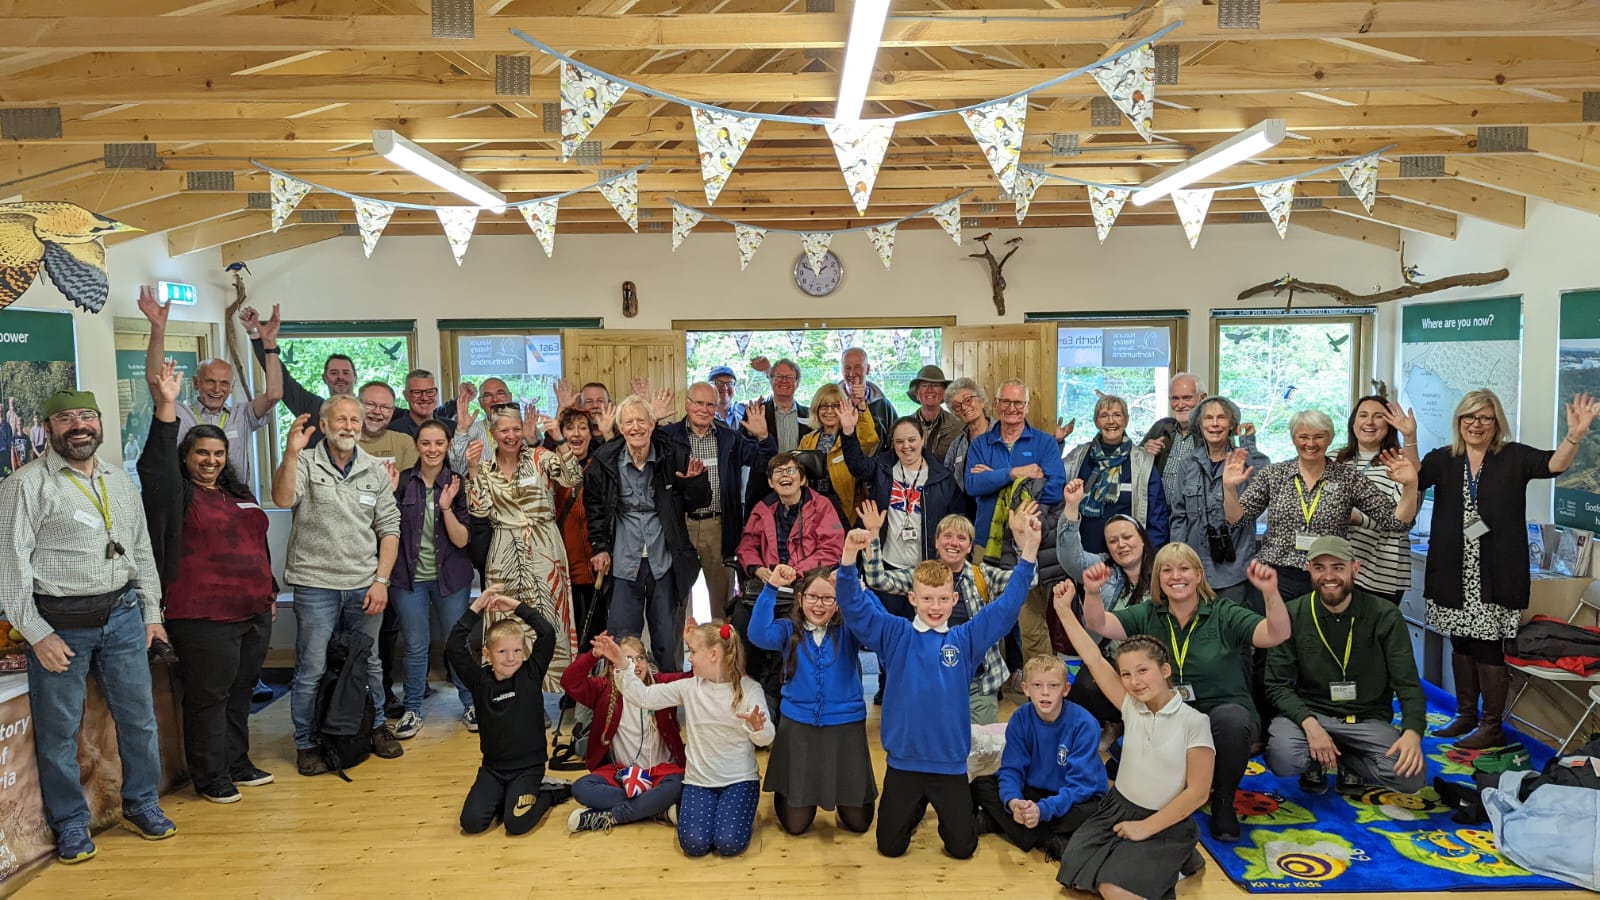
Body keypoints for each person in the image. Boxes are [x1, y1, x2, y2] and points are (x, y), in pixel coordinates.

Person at [0, 389, 175, 863]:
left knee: (138, 720)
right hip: (60, 625)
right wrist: (37, 634)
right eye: (65, 418)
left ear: (99, 423)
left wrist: (152, 614)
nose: (78, 426)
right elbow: (10, 571)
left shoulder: (120, 481)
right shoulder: (24, 485)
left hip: (122, 618)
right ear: (49, 426)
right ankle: (71, 823)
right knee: (60, 731)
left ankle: (142, 805)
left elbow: (140, 553)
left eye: (86, 416)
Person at [835, 503, 1042, 860]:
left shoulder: (965, 639)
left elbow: (1007, 607)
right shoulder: (894, 632)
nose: (935, 606)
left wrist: (1029, 552)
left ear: (954, 600)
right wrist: (848, 558)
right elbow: (855, 607)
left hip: (949, 765)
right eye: (927, 599)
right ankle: (914, 808)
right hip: (903, 764)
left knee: (963, 849)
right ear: (913, 599)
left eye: (942, 599)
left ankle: (971, 799)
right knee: (889, 848)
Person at [1423, 390, 1600, 750]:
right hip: (1452, 572)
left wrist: (1575, 436)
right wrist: (1408, 439)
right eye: (1469, 417)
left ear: (1497, 423)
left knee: (1488, 647)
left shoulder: (1513, 456)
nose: (1476, 424)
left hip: (1496, 573)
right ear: (1459, 422)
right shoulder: (1443, 459)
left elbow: (1554, 464)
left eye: (1485, 418)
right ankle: (1466, 715)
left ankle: (1491, 725)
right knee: (1461, 643)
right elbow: (1411, 478)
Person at [1083, 545, 1291, 842]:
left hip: (1219, 714)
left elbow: (1276, 634)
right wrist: (1092, 592)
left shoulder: (1224, 612)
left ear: (1198, 575)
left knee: (1232, 720)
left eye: (1183, 569)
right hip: (1168, 712)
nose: (1175, 576)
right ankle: (1154, 774)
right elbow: (1099, 623)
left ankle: (1222, 801)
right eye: (1166, 570)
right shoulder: (1149, 613)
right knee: (1093, 685)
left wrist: (1270, 593)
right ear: (1158, 579)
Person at [138, 360, 275, 804]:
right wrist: (166, 406)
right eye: (201, 454)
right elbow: (154, 465)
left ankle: (237, 762)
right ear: (185, 457)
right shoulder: (174, 494)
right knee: (207, 697)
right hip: (202, 615)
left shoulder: (238, 492)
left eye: (218, 454)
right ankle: (210, 775)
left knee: (239, 693)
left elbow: (258, 543)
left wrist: (268, 591)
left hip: (252, 610)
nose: (211, 461)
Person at [1054, 580, 1214, 900]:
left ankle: (1176, 855)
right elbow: (1094, 659)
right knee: (1073, 872)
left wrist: (1147, 828)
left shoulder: (1195, 723)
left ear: (1165, 669)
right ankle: (1178, 862)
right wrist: (1063, 610)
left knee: (1113, 888)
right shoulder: (1131, 707)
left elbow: (1197, 793)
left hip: (1163, 820)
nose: (1134, 681)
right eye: (1126, 674)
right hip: (1119, 808)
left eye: (1143, 671)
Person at [270, 397, 404, 773]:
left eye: (354, 420)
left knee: (372, 663)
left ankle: (376, 728)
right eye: (340, 420)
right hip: (315, 584)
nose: (348, 426)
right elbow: (281, 498)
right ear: (325, 426)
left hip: (365, 585)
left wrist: (381, 581)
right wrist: (290, 454)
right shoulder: (306, 463)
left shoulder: (374, 470)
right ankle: (307, 743)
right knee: (311, 667)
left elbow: (389, 530)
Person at [1264, 536, 1427, 795]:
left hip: (1366, 719)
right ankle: (1315, 758)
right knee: (1284, 757)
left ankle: (1347, 760)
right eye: (1320, 568)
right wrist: (1309, 723)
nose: (1329, 576)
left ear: (1355, 568)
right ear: (1309, 569)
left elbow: (1407, 682)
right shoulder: (1292, 614)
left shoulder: (1385, 615)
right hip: (1312, 714)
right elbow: (1276, 684)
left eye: (1338, 567)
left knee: (1410, 777)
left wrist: (1413, 731)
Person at [596, 621, 775, 858]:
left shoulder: (749, 689)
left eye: (693, 651)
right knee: (694, 845)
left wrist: (757, 728)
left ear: (713, 654)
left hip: (739, 781)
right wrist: (620, 663)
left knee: (729, 844)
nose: (689, 658)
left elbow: (767, 737)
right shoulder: (689, 687)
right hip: (699, 782)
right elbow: (644, 696)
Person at [1223, 408, 1420, 602]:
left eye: (1319, 437)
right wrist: (1229, 490)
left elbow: (1396, 522)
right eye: (1303, 437)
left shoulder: (1348, 478)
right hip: (1275, 576)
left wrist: (1411, 485)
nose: (1310, 443)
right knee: (1274, 634)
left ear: (1330, 439)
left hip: (1327, 581)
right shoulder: (1273, 475)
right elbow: (1237, 520)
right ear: (1293, 438)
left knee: (1321, 635)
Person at [748, 565, 876, 835]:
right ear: (800, 598)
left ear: (839, 603)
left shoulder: (850, 630)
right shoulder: (787, 629)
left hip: (845, 729)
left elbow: (880, 630)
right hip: (799, 728)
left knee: (859, 823)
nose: (819, 605)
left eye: (828, 598)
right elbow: (757, 634)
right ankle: (792, 790)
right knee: (795, 826)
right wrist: (771, 587)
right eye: (813, 597)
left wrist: (861, 592)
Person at [586, 395, 710, 674]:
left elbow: (697, 502)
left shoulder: (673, 454)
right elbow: (594, 508)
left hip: (663, 559)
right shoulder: (604, 461)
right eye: (628, 422)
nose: (636, 427)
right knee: (622, 637)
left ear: (653, 424)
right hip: (623, 561)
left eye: (642, 421)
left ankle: (666, 706)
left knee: (666, 638)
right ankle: (621, 702)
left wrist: (694, 483)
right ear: (620, 428)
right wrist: (600, 547)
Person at [466, 405, 583, 690]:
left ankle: (549, 687)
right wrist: (470, 470)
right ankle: (512, 689)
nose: (511, 436)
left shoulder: (541, 457)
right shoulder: (484, 468)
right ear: (493, 434)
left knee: (547, 618)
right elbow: (478, 510)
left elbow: (572, 478)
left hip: (544, 548)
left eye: (516, 429)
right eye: (504, 430)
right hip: (504, 550)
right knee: (507, 620)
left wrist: (559, 439)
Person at [860, 507, 1011, 723]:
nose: (953, 542)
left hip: (978, 685)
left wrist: (1026, 545)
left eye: (961, 538)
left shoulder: (983, 575)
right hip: (932, 682)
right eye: (947, 536)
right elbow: (877, 579)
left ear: (969, 546)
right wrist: (874, 534)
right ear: (937, 542)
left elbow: (1026, 581)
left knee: (980, 753)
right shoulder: (919, 575)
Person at [141, 287, 283, 489]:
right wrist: (157, 328)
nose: (217, 389)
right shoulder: (179, 413)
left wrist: (269, 344)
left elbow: (274, 395)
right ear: (196, 383)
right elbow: (156, 382)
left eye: (224, 383)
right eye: (210, 381)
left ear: (231, 387)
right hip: (192, 501)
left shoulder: (242, 415)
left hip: (233, 499)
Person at [445, 585, 559, 835]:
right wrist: (476, 608)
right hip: (493, 769)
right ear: (487, 654)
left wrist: (516, 607)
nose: (511, 658)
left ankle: (550, 793)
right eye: (502, 652)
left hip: (529, 767)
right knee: (472, 824)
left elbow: (547, 633)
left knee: (516, 824)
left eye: (517, 650)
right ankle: (505, 797)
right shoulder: (479, 681)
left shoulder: (531, 673)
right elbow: (454, 646)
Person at [970, 653, 1106, 861]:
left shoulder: (1085, 724)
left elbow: (1081, 786)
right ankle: (1049, 839)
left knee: (1096, 814)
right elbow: (1012, 769)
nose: (1045, 693)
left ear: (1065, 690)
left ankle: (1000, 823)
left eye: (1053, 686)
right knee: (982, 784)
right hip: (1035, 791)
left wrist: (1043, 810)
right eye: (1037, 685)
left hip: (1075, 798)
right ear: (1025, 688)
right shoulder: (1020, 718)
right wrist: (1013, 801)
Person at [735, 453, 845, 708]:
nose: (785, 476)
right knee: (740, 623)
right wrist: (757, 568)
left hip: (804, 584)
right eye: (778, 472)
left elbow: (831, 550)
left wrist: (795, 571)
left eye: (791, 471)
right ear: (771, 482)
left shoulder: (822, 506)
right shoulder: (763, 508)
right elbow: (747, 545)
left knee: (789, 627)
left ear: (803, 478)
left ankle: (777, 695)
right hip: (768, 583)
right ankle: (752, 693)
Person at [661, 382, 773, 630]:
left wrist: (763, 436)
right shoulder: (668, 437)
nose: (703, 409)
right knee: (676, 602)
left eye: (710, 404)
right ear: (687, 404)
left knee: (722, 604)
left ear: (716, 407)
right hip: (681, 527)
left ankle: (722, 665)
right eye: (698, 403)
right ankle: (676, 667)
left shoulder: (729, 437)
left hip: (719, 526)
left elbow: (766, 463)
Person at [390, 420, 473, 737]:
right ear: (416, 445)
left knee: (458, 643)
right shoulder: (400, 483)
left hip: (451, 579)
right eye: (426, 443)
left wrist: (446, 508)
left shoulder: (457, 484)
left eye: (439, 443)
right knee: (415, 645)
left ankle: (470, 704)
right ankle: (412, 710)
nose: (433, 449)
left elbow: (463, 540)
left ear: (448, 445)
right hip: (407, 579)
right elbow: (385, 530)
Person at [561, 636, 690, 833]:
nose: (636, 665)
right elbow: (569, 681)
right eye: (627, 659)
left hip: (662, 772)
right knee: (581, 788)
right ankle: (656, 808)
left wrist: (693, 643)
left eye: (640, 659)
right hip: (623, 774)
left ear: (647, 662)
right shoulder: (603, 688)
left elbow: (692, 678)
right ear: (614, 665)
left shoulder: (662, 685)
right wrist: (593, 655)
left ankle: (611, 816)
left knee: (680, 785)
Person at [1056, 481, 1154, 730]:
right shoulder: (1104, 570)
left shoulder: (1164, 574)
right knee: (1084, 685)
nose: (1121, 545)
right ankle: (1108, 726)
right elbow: (1070, 557)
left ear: (1142, 539)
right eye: (1113, 541)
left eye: (1127, 537)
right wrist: (1071, 506)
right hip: (1112, 662)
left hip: (1154, 666)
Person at [1169, 396, 1267, 604]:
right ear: (1200, 424)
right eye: (1209, 418)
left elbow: (1263, 484)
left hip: (1234, 570)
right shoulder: (1188, 463)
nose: (1214, 424)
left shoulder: (1244, 460)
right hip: (1194, 568)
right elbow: (1179, 516)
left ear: (1232, 424)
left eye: (1221, 418)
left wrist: (1248, 444)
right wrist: (1177, 558)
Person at [965, 379, 1067, 559]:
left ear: (1027, 406)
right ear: (996, 404)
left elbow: (1056, 490)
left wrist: (994, 478)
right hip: (986, 542)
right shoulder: (980, 444)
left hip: (1028, 542)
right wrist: (1014, 473)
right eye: (1005, 401)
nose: (1012, 408)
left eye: (1018, 403)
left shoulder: (1045, 443)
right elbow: (973, 486)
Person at [1334, 396, 1421, 605]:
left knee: (1372, 635)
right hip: (1338, 568)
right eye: (1363, 415)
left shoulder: (1397, 462)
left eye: (1378, 416)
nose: (1369, 422)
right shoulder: (1334, 459)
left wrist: (1356, 517)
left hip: (1381, 573)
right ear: (1353, 421)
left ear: (1389, 425)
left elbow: (1403, 519)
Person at [1062, 394, 1169, 555]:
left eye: (1117, 415)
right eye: (1104, 415)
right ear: (1096, 422)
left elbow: (1157, 518)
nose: (1111, 421)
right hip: (1083, 555)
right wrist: (1056, 442)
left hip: (1128, 557)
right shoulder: (1078, 456)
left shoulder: (1143, 462)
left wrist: (1151, 558)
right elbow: (1053, 477)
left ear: (1126, 420)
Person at [244, 308, 358, 446]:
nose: (340, 377)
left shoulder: (370, 409)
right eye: (334, 373)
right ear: (324, 378)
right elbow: (283, 380)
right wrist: (259, 337)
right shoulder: (311, 406)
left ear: (355, 378)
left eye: (346, 373)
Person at [552, 406, 607, 654]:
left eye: (582, 427)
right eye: (570, 427)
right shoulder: (551, 467)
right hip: (564, 563)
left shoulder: (601, 464)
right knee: (569, 630)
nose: (576, 433)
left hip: (599, 564)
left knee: (598, 629)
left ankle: (595, 684)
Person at [797, 385, 877, 526]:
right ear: (816, 409)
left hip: (845, 511)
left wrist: (862, 407)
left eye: (835, 406)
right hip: (814, 511)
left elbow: (870, 441)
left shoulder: (851, 436)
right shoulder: (807, 440)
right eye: (823, 406)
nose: (829, 411)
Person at [1140, 373, 1207, 505]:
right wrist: (1144, 450)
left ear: (1202, 398)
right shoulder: (1162, 427)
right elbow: (1134, 462)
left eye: (1187, 398)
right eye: (1175, 398)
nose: (1180, 405)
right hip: (1160, 514)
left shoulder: (1211, 432)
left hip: (1195, 517)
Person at [942, 377, 990, 501]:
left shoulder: (1003, 435)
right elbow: (947, 479)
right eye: (957, 406)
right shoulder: (957, 445)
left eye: (968, 400)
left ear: (981, 401)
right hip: (965, 512)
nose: (964, 407)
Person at [355, 382, 419, 472]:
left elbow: (410, 484)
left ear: (392, 411)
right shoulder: (341, 443)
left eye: (385, 407)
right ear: (357, 406)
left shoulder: (405, 443)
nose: (377, 412)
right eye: (370, 404)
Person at [906, 364, 962, 461]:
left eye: (935, 385)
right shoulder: (904, 427)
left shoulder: (958, 426)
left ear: (944, 393)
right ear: (917, 393)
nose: (930, 390)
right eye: (924, 385)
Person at [839, 346, 897, 432]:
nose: (852, 374)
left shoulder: (882, 405)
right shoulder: (832, 403)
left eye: (857, 367)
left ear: (868, 369)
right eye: (847, 368)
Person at [390, 369, 457, 439]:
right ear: (406, 396)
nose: (425, 398)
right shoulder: (393, 431)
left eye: (430, 392)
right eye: (417, 392)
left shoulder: (452, 428)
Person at [709, 365, 745, 430]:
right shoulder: (702, 414)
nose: (725, 388)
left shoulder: (744, 410)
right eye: (719, 382)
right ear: (709, 386)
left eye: (730, 383)